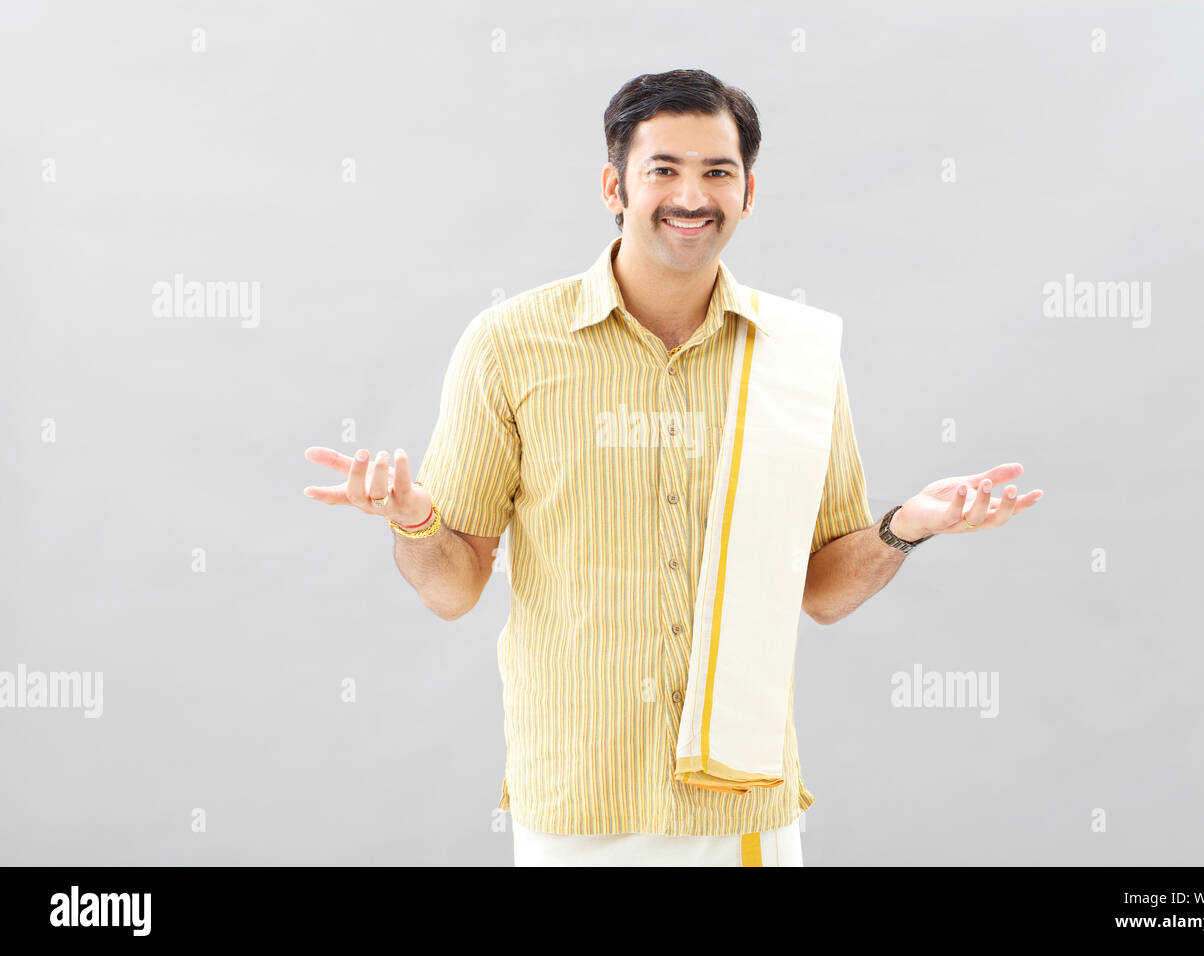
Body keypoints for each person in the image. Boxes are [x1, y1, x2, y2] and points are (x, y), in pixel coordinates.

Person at [303, 69, 1043, 866]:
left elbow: (822, 593)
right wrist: (413, 520)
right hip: (579, 798)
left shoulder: (795, 355)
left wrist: (906, 528)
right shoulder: (508, 344)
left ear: (749, 192)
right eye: (664, 170)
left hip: (743, 798)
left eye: (717, 172)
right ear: (613, 185)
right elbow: (453, 591)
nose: (692, 196)